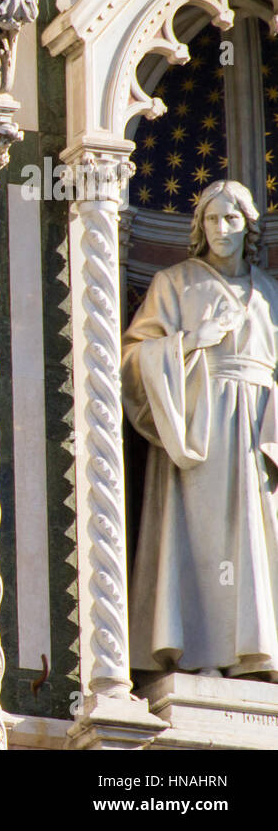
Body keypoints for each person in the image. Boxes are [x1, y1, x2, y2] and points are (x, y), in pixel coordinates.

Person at [122, 179, 278, 680]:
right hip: (199, 423)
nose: (221, 228)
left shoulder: (271, 292)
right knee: (202, 540)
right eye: (212, 219)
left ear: (249, 226)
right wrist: (189, 342)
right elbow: (132, 357)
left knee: (259, 539)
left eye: (231, 218)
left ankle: (258, 654)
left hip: (262, 427)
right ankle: (201, 656)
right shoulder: (175, 282)